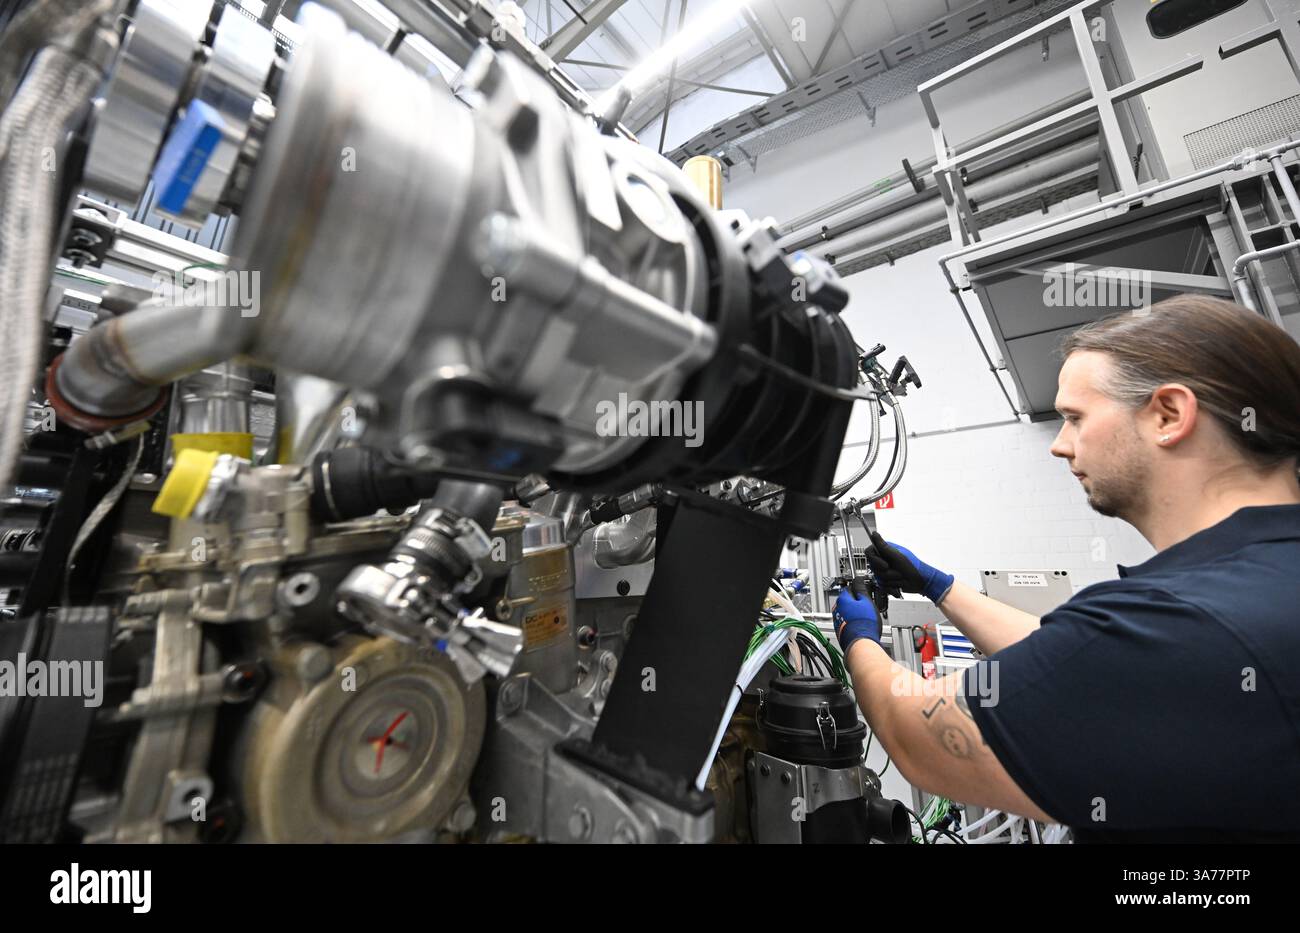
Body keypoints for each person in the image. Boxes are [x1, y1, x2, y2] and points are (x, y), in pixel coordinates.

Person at [832, 295, 1300, 842]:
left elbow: (917, 738)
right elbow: (1071, 655)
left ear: (1169, 415)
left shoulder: (1176, 621)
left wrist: (857, 638)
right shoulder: (1250, 585)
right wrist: (940, 587)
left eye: (1075, 418)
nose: (1059, 445)